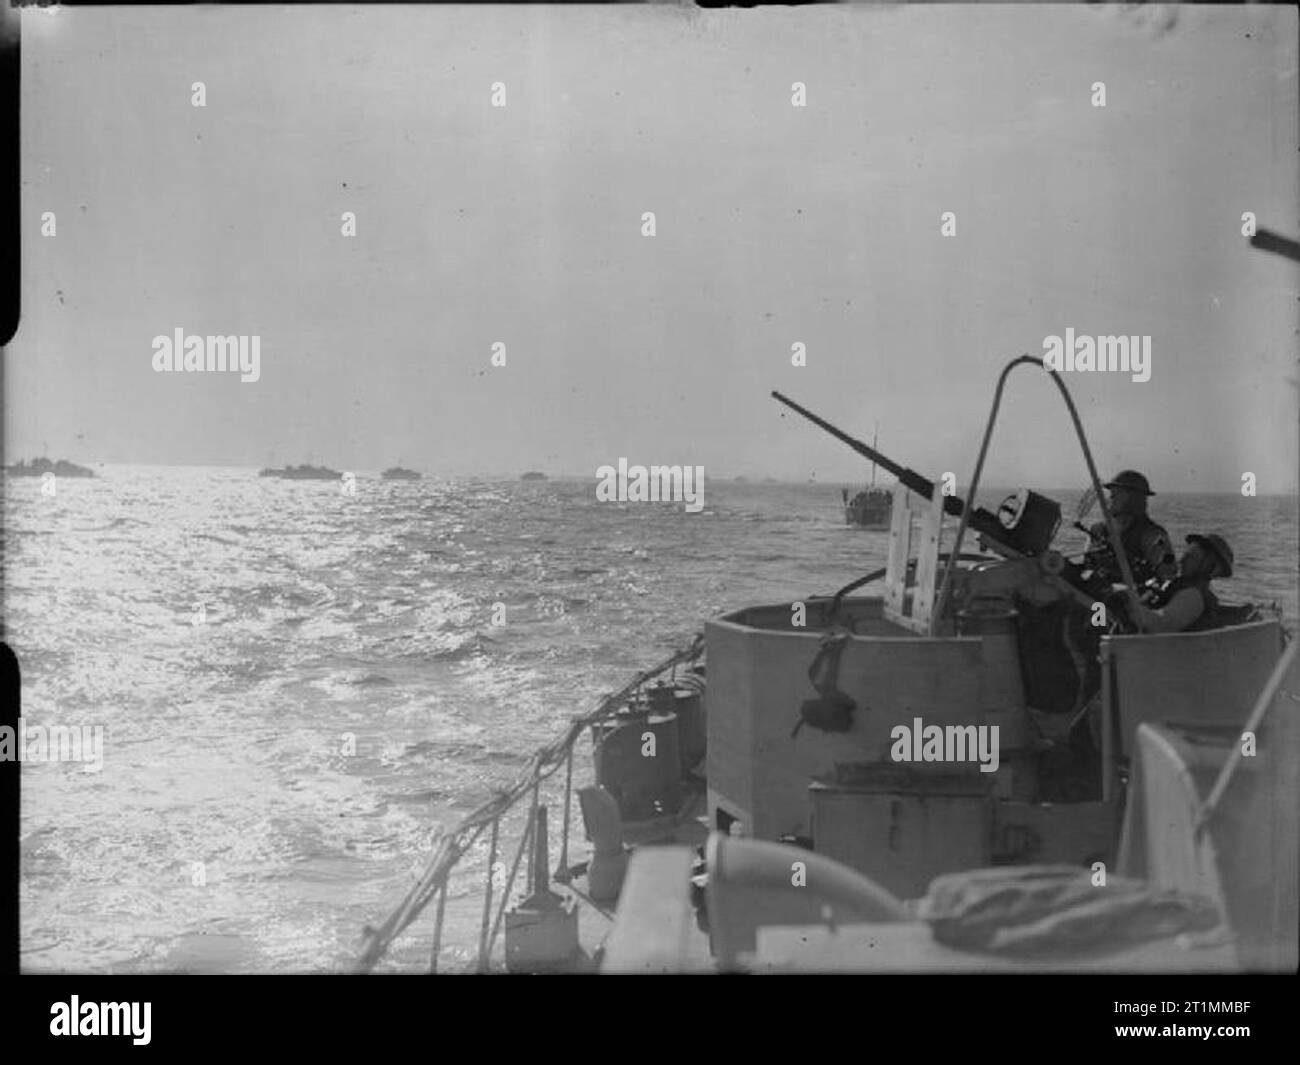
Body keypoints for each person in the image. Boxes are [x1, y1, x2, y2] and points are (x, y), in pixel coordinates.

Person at [1084, 470, 1177, 588]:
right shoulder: (1097, 530)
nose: (1110, 499)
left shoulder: (1153, 535)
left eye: (1116, 494)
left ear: (1133, 499)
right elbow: (1086, 565)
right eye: (1112, 494)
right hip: (1092, 597)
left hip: (1128, 601)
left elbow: (1167, 577)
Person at [1129, 533, 1233, 634]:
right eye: (1185, 555)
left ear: (1208, 566)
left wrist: (1128, 605)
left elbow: (1162, 624)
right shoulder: (1171, 586)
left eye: (1190, 557)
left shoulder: (1192, 596)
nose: (1181, 560)